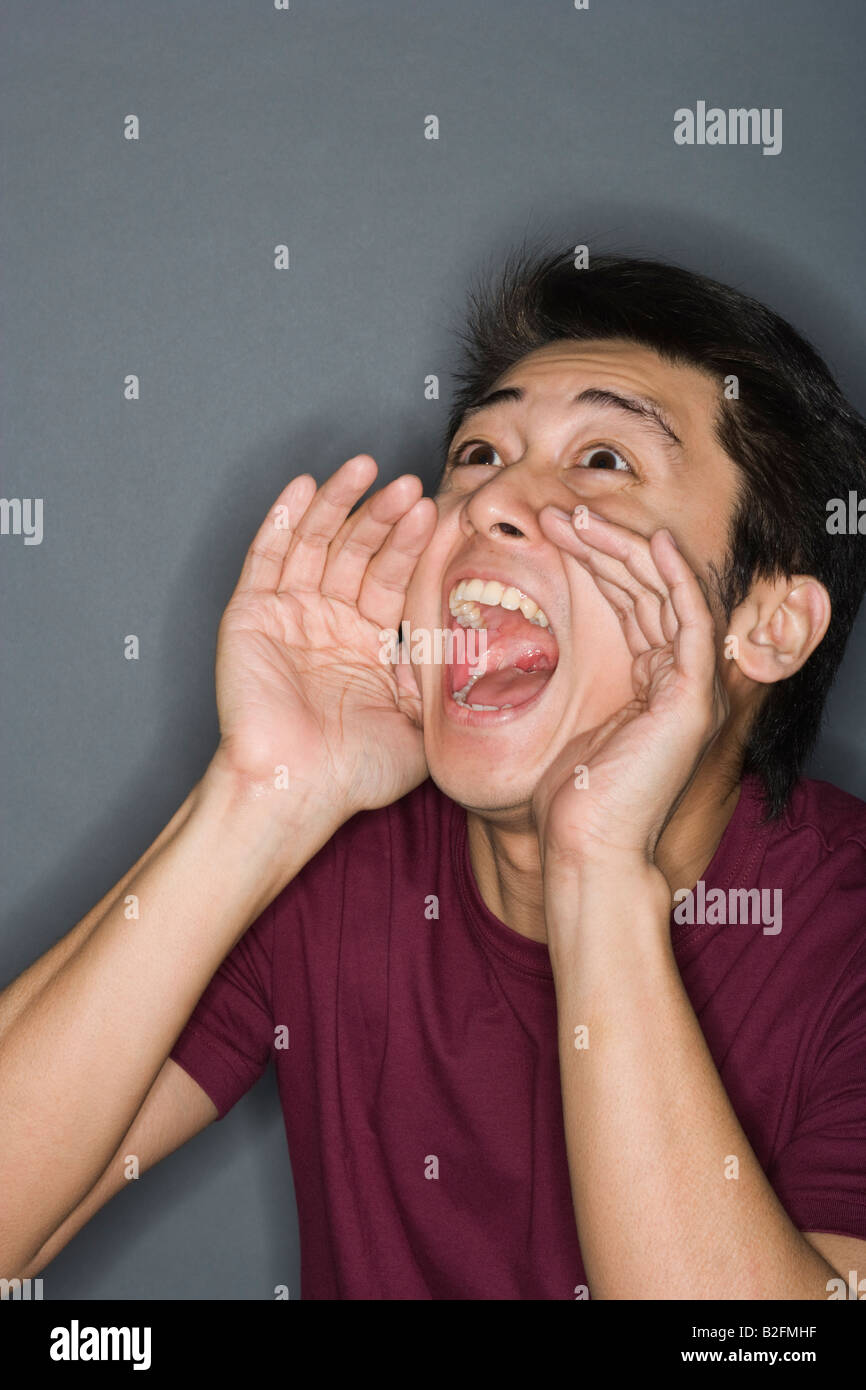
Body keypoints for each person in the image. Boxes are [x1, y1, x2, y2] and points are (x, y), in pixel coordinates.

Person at [2, 248, 866, 1300]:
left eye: (602, 461)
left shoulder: (845, 935)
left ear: (765, 625)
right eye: (477, 453)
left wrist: (595, 868)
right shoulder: (342, 862)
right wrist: (265, 793)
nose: (493, 500)